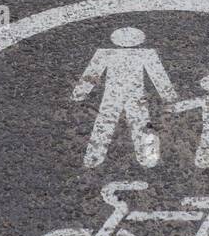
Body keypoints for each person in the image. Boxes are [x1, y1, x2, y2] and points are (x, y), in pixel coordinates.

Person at [72, 28, 177, 169]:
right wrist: (168, 95)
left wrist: (80, 93)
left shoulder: (107, 53)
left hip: (116, 94)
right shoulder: (143, 54)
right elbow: (158, 75)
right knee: (138, 122)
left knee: (105, 121)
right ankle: (147, 158)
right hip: (131, 94)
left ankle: (94, 156)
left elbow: (91, 74)